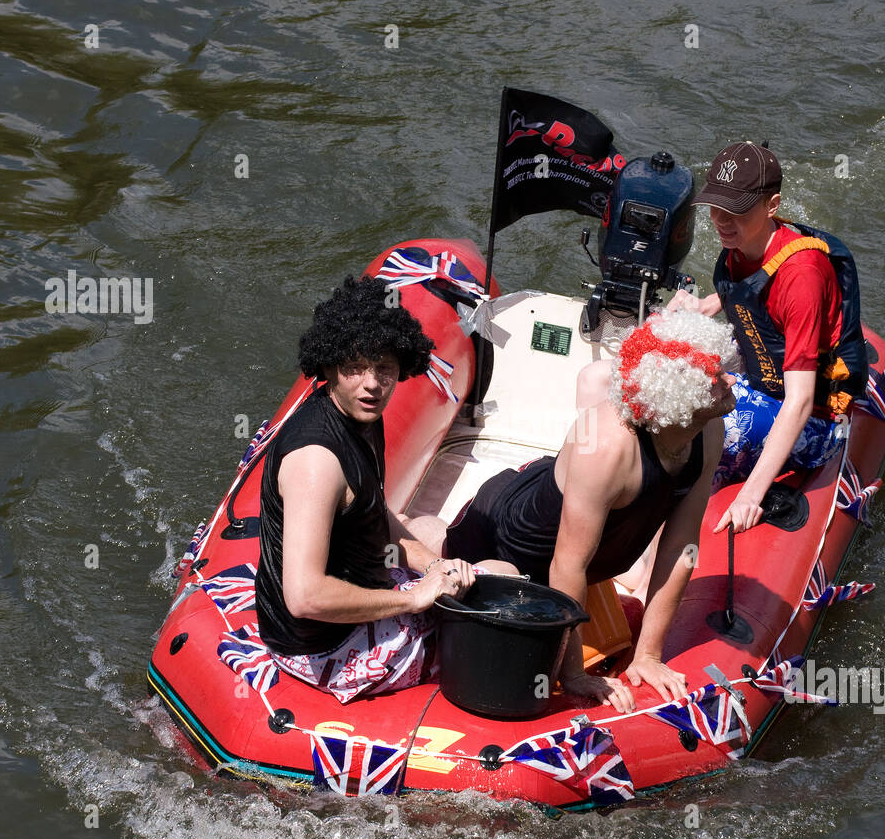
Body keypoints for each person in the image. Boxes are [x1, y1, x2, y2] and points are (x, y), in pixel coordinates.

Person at [409, 309, 740, 714]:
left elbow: (681, 547)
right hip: (503, 530)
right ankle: (403, 528)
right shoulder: (606, 446)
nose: (730, 380)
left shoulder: (708, 430)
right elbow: (567, 566)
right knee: (441, 544)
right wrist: (573, 672)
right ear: (679, 393)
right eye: (715, 377)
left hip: (582, 528)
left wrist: (648, 655)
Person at [254, 276, 479, 704]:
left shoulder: (361, 417)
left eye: (385, 368)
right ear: (328, 366)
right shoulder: (318, 461)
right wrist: (414, 599)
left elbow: (375, 513)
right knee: (494, 609)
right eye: (355, 367)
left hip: (351, 600)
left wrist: (436, 569)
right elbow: (305, 597)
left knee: (446, 544)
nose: (372, 383)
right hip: (324, 647)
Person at [671, 140, 868, 534]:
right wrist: (708, 304)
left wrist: (752, 495)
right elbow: (749, 294)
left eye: (737, 210)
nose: (722, 221)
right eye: (716, 207)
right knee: (668, 387)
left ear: (772, 205)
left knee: (703, 419)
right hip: (762, 385)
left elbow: (800, 401)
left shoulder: (802, 276)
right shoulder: (739, 247)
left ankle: (676, 530)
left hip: (815, 421)